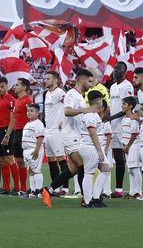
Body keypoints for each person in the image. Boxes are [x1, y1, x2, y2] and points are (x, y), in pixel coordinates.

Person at [47, 69, 91, 199]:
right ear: (81, 80)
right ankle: (87, 198)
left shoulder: (80, 96)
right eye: (89, 81)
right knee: (84, 166)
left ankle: (48, 190)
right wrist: (84, 110)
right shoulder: (72, 94)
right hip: (71, 136)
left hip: (76, 135)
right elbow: (67, 111)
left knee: (74, 169)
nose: (90, 84)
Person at [78, 90, 109, 208]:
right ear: (97, 101)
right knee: (89, 173)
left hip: (93, 147)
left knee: (105, 169)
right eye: (101, 99)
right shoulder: (90, 115)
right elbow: (92, 133)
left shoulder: (94, 114)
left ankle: (95, 198)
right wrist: (99, 150)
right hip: (90, 147)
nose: (102, 102)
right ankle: (88, 201)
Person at [3, 78, 33, 195]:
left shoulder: (27, 101)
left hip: (25, 132)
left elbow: (33, 116)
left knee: (26, 161)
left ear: (24, 87)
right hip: (17, 132)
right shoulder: (17, 100)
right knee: (19, 160)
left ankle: (26, 188)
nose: (14, 87)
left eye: (17, 85)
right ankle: (21, 188)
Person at [107, 63, 133, 196]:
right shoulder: (112, 87)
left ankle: (135, 189)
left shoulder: (127, 86)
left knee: (129, 158)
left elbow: (127, 108)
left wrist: (110, 118)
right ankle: (118, 189)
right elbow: (113, 107)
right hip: (114, 127)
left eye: (118, 69)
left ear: (124, 71)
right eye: (115, 68)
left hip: (124, 126)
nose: (115, 70)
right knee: (118, 158)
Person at [41, 71, 68, 195]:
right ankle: (55, 188)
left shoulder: (60, 93)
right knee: (51, 160)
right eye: (45, 78)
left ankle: (65, 189)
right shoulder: (47, 94)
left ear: (56, 80)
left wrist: (63, 120)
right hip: (48, 130)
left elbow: (68, 103)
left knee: (61, 159)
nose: (45, 80)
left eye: (48, 78)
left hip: (57, 131)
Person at [20, 103, 50, 207]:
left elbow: (40, 138)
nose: (29, 112)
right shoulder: (28, 124)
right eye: (28, 111)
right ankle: (32, 191)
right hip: (27, 150)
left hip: (34, 149)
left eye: (31, 111)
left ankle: (39, 190)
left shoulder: (38, 124)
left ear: (37, 113)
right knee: (30, 171)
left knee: (36, 170)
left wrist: (36, 150)